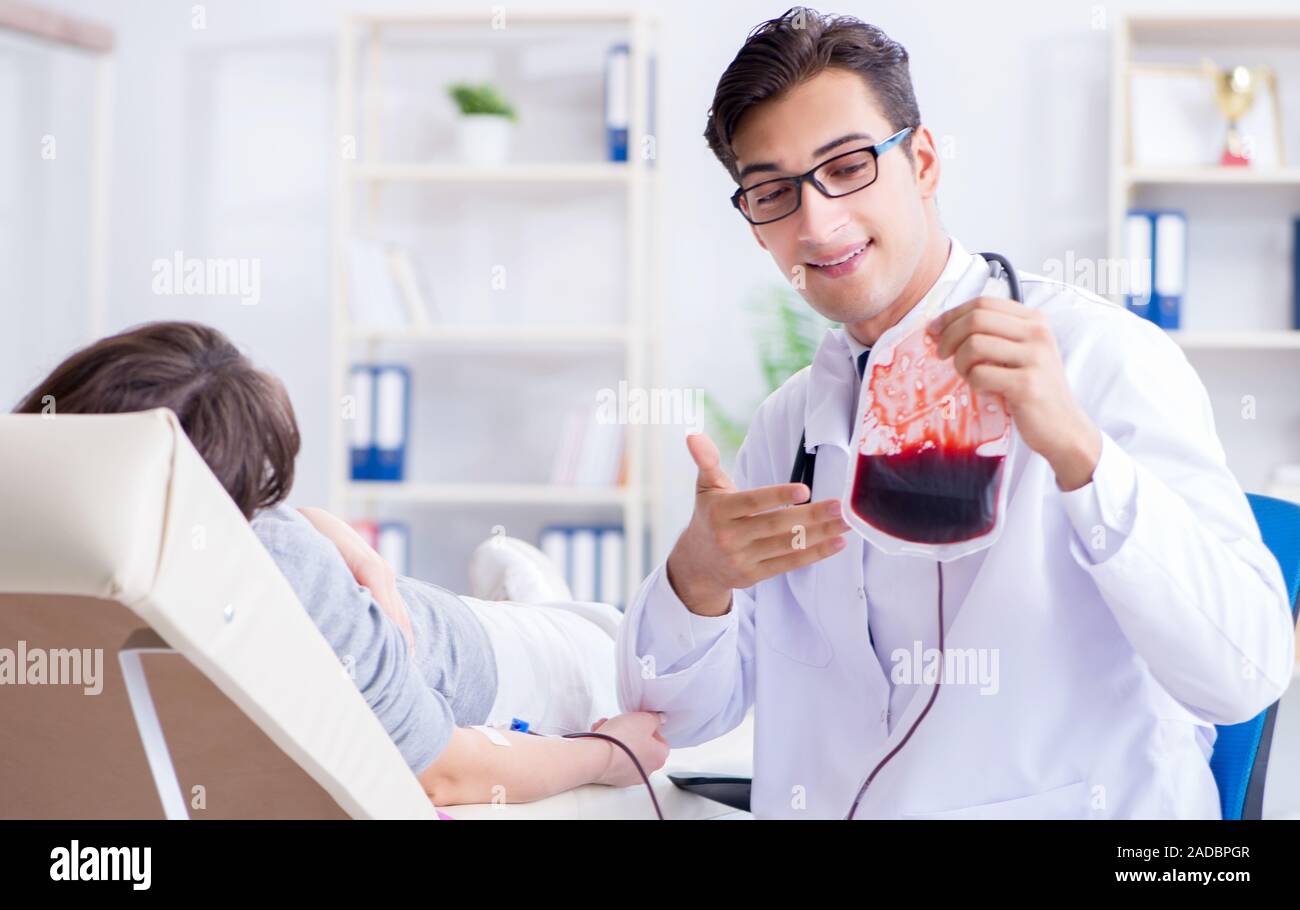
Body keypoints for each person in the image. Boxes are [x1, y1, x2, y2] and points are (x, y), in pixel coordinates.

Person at [616, 7, 1295, 819]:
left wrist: (1079, 453)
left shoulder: (1098, 358)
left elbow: (1244, 675)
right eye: (773, 192)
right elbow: (680, 720)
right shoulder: (788, 425)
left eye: (848, 166)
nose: (817, 221)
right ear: (755, 225)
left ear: (924, 162)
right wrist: (697, 578)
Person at [15, 320, 668, 808]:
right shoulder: (238, 551)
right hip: (390, 620)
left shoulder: (268, 567)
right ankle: (528, 594)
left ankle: (538, 599)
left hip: (512, 664)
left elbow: (443, 769)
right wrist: (332, 537)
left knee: (595, 639)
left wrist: (607, 754)